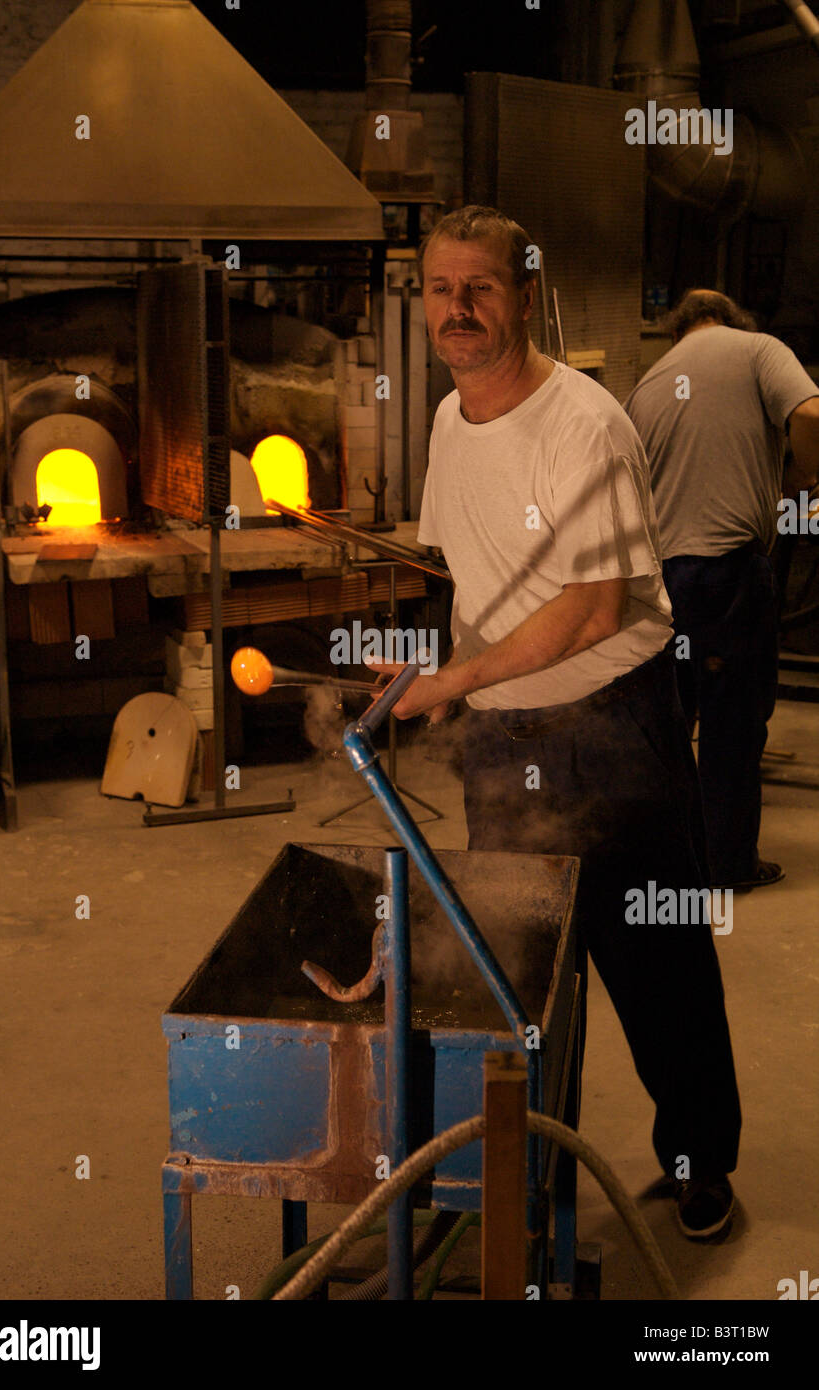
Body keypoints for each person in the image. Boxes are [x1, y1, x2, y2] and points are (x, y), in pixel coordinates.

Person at [377, 205, 741, 1240]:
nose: (460, 309)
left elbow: (594, 606)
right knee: (517, 981)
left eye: (481, 288)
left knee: (654, 963)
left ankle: (699, 1160)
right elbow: (471, 581)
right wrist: (443, 674)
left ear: (525, 296)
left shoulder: (583, 423)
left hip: (609, 731)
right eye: (443, 290)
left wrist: (450, 686)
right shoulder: (451, 420)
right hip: (504, 738)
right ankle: (529, 1181)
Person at [625, 290, 819, 889]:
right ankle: (729, 864)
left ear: (679, 331)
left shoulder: (645, 386)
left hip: (661, 583)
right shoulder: (758, 349)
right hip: (730, 573)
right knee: (734, 725)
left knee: (669, 727)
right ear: (734, 320)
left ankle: (669, 860)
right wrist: (806, 478)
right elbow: (811, 416)